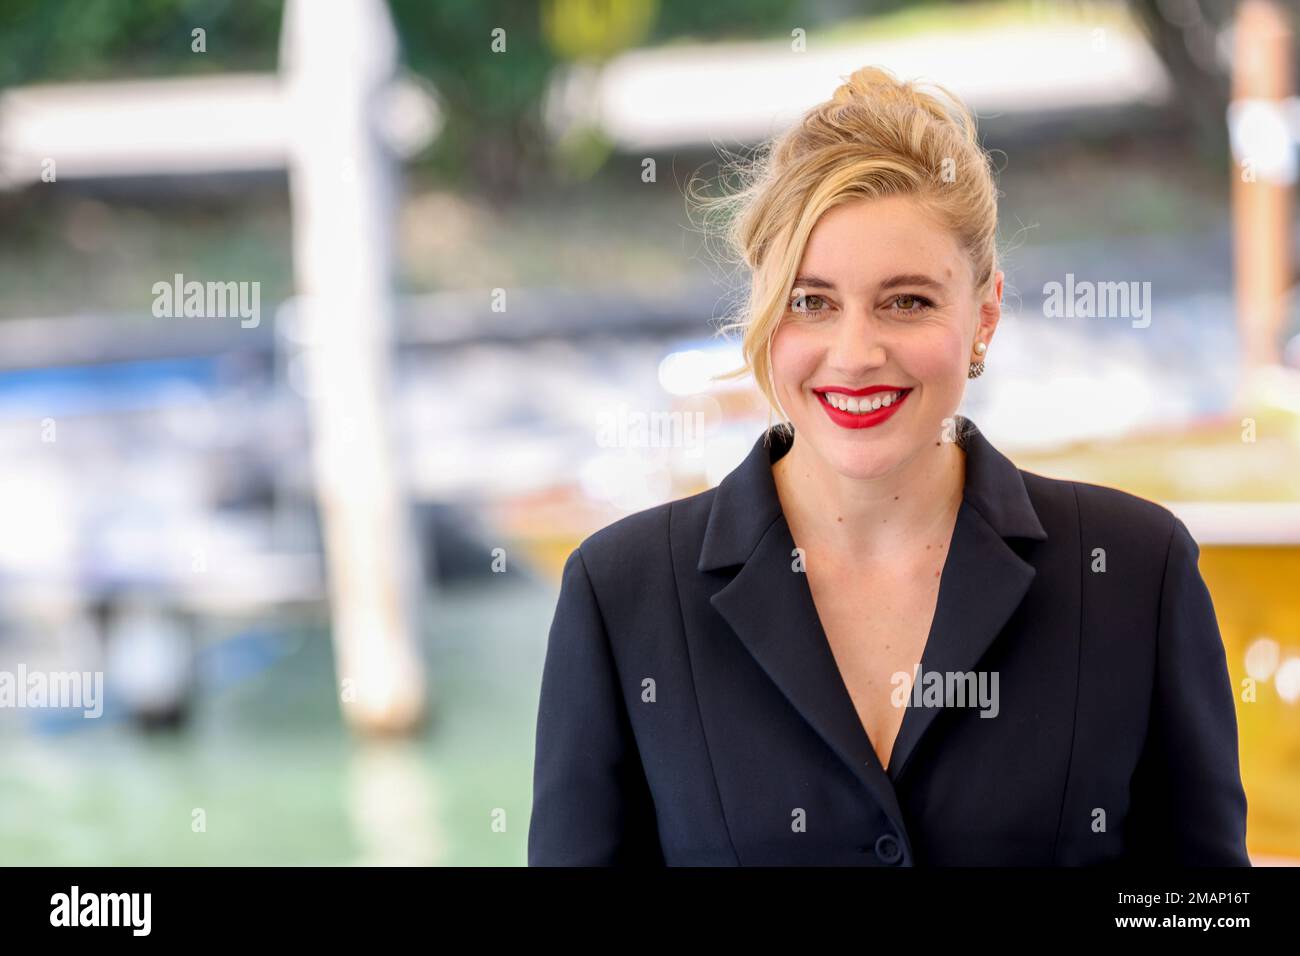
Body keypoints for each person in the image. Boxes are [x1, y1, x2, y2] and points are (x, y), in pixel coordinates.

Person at [527, 65, 1249, 866]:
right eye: (812, 302)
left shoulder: (1135, 569)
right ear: (763, 315)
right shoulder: (620, 592)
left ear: (986, 314)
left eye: (907, 301)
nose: (856, 354)